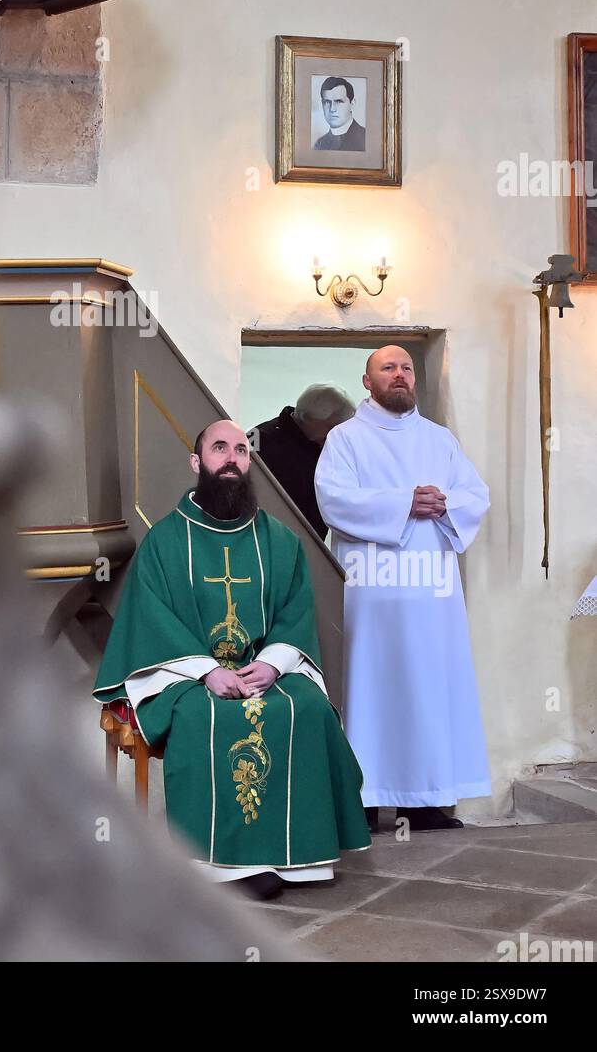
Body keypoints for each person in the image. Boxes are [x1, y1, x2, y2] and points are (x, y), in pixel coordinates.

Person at [94, 419, 371, 899]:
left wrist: (274, 663)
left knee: (305, 707)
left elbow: (296, 612)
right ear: (197, 462)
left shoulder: (279, 541)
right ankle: (218, 867)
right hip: (189, 674)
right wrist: (206, 671)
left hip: (260, 668)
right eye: (219, 448)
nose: (231, 459)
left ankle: (296, 858)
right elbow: (152, 621)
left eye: (241, 451)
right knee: (204, 715)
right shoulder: (165, 540)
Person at [314, 347, 491, 833]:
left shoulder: (440, 440)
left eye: (407, 368)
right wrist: (403, 503)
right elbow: (333, 500)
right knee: (368, 691)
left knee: (427, 692)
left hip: (433, 598)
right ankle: (364, 801)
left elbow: (476, 496)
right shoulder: (345, 439)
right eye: (388, 368)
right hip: (371, 598)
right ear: (367, 381)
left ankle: (424, 801)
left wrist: (445, 501)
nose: (400, 375)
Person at [248, 384, 355, 538]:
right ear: (308, 418)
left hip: (309, 542)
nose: (337, 434)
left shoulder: (322, 444)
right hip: (267, 538)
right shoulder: (257, 439)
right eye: (332, 427)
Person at [313, 76, 366, 151]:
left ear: (352, 104)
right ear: (322, 104)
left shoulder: (366, 138)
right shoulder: (319, 144)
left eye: (338, 101)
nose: (332, 109)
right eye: (327, 102)